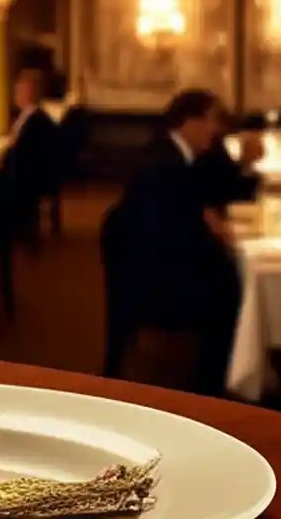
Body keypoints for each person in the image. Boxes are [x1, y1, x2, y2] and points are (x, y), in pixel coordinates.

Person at [102, 89, 240, 395]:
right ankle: (218, 386)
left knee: (235, 271)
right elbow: (174, 239)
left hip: (156, 265)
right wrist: (216, 234)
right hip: (162, 283)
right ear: (189, 122)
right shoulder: (165, 166)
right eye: (210, 121)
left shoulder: (173, 155)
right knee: (234, 285)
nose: (215, 130)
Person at [2, 69, 59, 235]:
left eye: (19, 89)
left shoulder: (36, 121)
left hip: (28, 177)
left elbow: (22, 155)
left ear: (29, 92)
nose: (16, 94)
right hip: (28, 171)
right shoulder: (33, 117)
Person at [196, 102, 263, 211]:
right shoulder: (207, 149)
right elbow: (223, 191)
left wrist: (246, 163)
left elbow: (228, 181)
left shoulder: (215, 144)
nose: (213, 127)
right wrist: (246, 162)